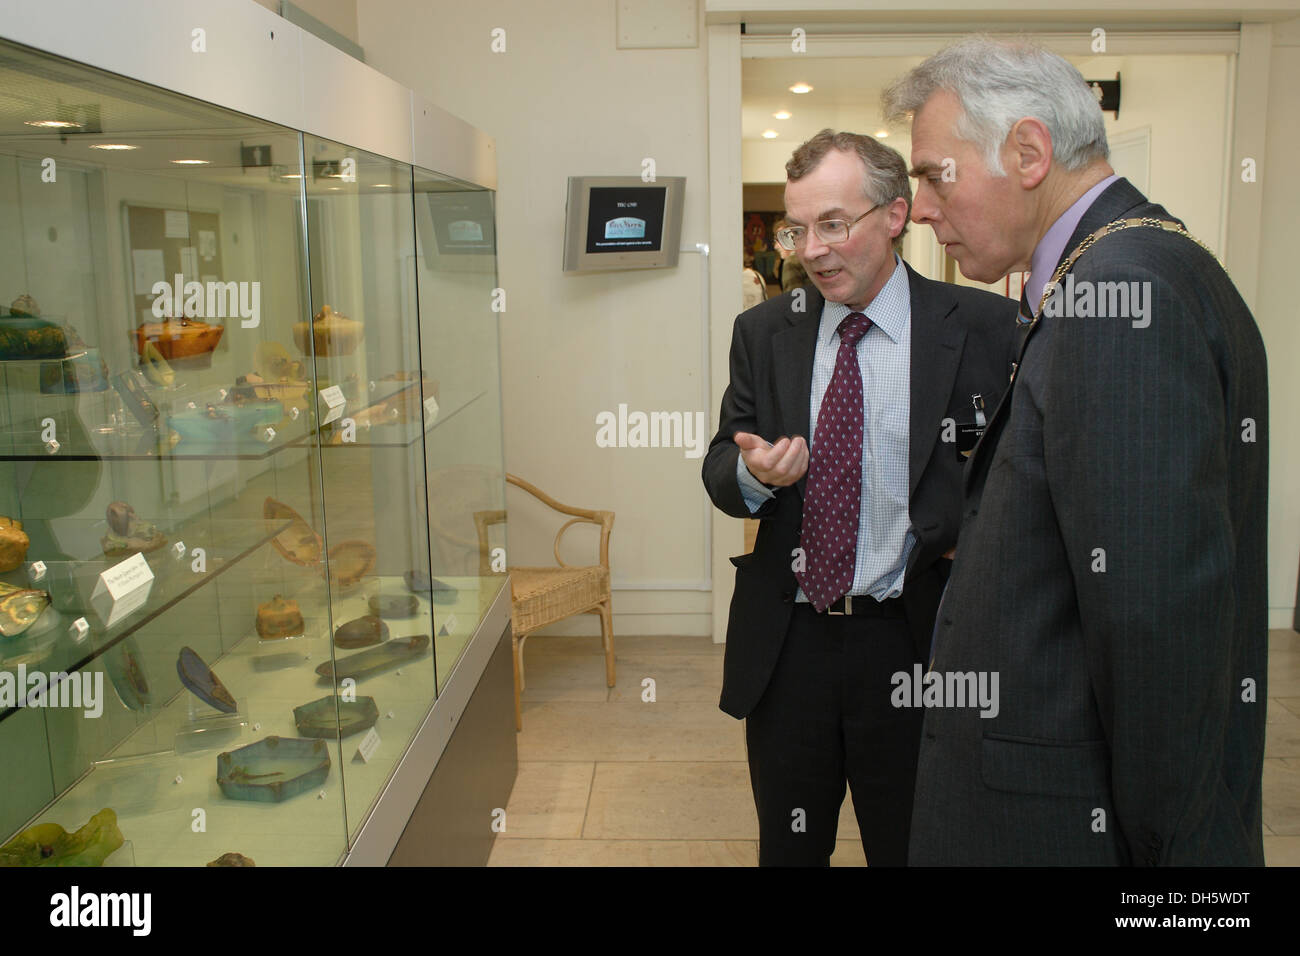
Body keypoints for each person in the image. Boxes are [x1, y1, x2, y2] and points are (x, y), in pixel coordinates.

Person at [882, 36, 1269, 866]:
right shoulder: (1113, 271)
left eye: (932, 173)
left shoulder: (1121, 296)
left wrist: (1167, 861)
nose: (918, 208)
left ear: (1028, 152)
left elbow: (1155, 620)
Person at [702, 129, 1019, 866]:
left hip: (914, 642)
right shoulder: (763, 332)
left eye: (833, 224)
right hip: (789, 648)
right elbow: (724, 461)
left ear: (895, 215)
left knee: (912, 847)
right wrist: (756, 476)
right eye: (796, 228)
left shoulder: (984, 331)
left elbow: (1017, 485)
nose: (809, 250)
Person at [773, 218, 810, 292]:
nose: (775, 246)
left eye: (780, 240)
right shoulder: (810, 260)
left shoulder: (791, 263)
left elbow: (793, 301)